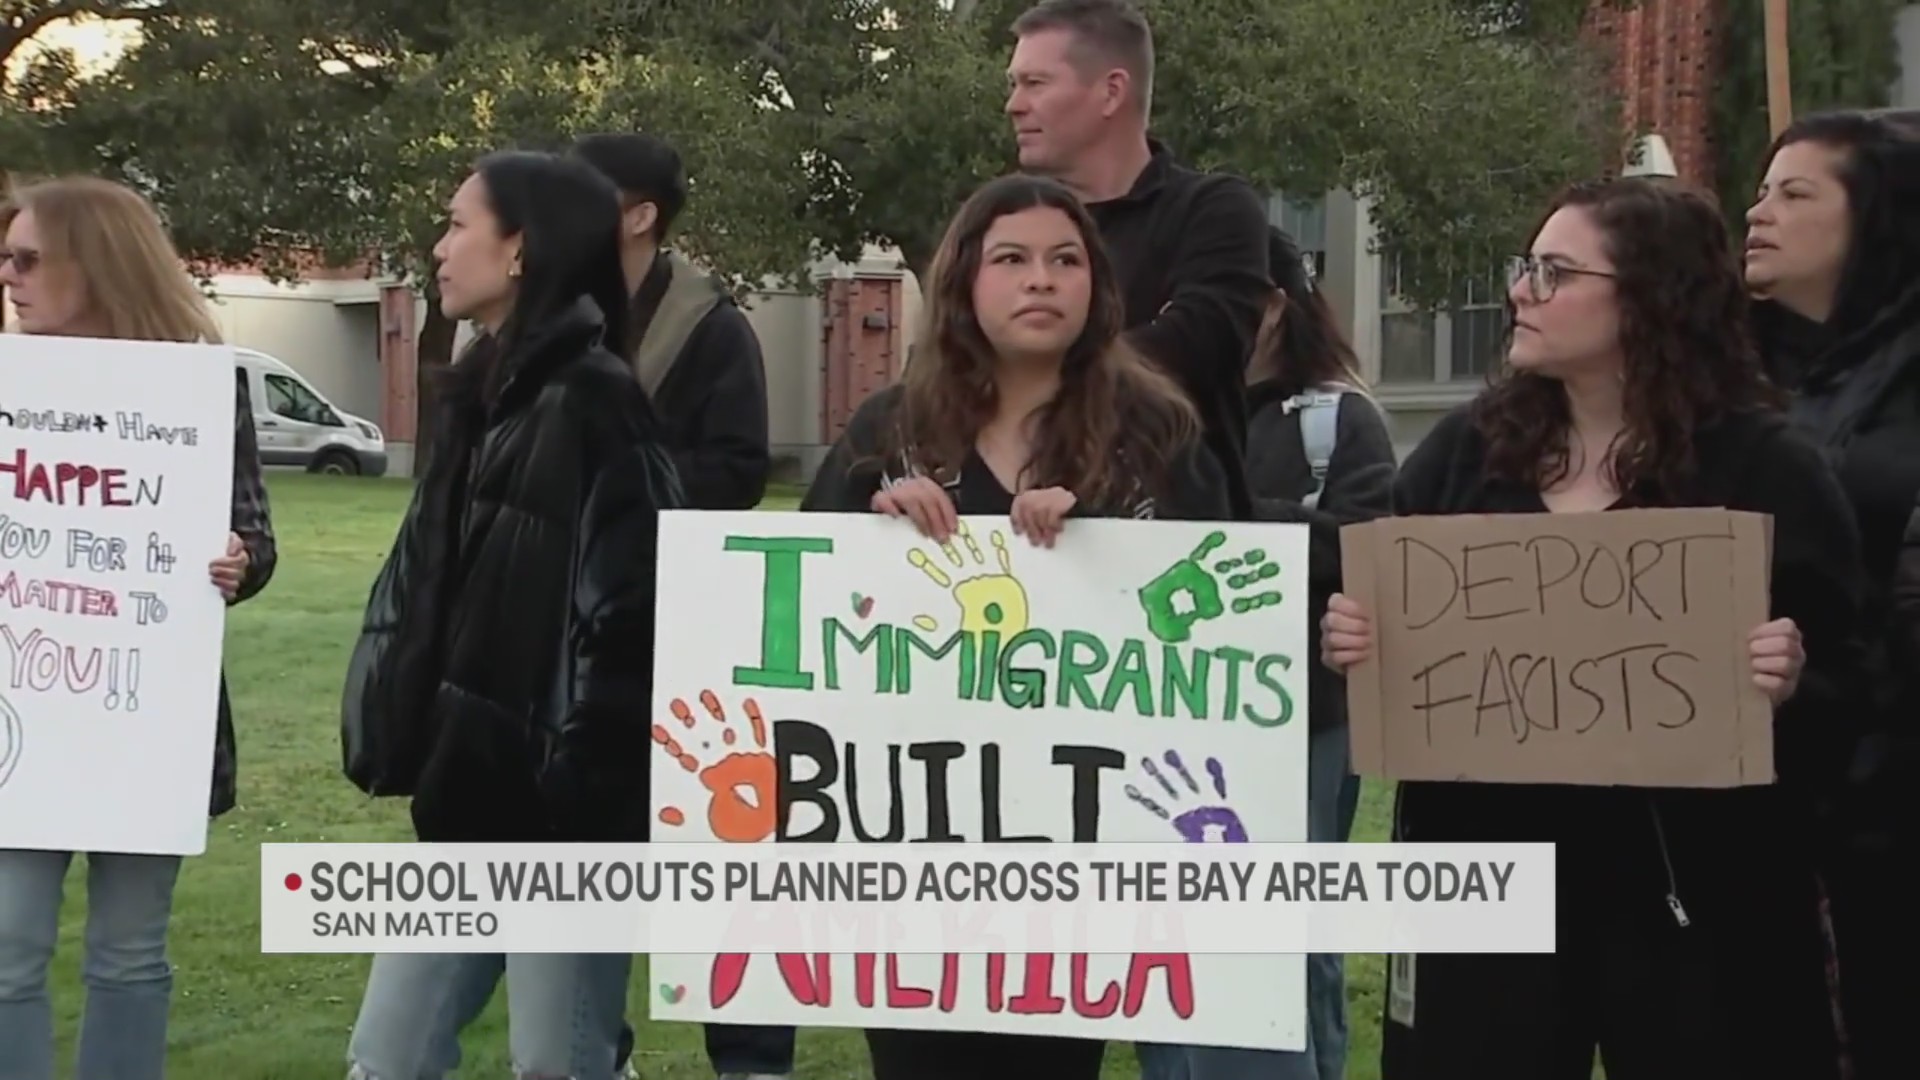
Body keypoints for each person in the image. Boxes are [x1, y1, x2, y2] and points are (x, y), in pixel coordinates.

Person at [1322, 177, 1863, 1078]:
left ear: (1651, 297)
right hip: (1486, 888)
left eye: (1556, 271)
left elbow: (1854, 681)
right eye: (1525, 267)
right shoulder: (1466, 453)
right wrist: (1356, 644)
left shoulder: (1763, 468)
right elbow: (1384, 636)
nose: (1521, 291)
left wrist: (1793, 678)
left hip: (1696, 894)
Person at [802, 172, 1232, 1080]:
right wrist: (873, 534)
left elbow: (1222, 616)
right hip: (916, 851)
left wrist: (1114, 544)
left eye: (1065, 260)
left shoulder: (1157, 434)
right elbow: (799, 624)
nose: (1041, 280)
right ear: (963, 282)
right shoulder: (890, 430)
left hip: (1081, 852)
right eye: (1012, 259)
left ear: (1096, 288)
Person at [338, 150, 681, 1080]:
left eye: (457, 224)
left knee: (560, 1063)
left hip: (564, 815)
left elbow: (637, 613)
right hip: (465, 795)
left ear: (521, 248)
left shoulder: (594, 399)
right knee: (387, 1057)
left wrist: (577, 788)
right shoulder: (478, 393)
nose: (439, 248)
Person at [0, 176, 276, 1080]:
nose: (10, 275)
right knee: (7, 948)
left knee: (129, 951)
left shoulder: (195, 386)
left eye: (29, 258)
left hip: (145, 711)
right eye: (7, 256)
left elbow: (255, 537)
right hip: (23, 714)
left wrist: (236, 560)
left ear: (97, 261)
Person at [1136, 230, 1397, 1080]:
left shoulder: (1336, 420)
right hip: (1165, 716)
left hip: (1300, 723)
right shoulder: (1152, 415)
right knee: (1166, 930)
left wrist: (1241, 527)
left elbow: (1368, 548)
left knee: (1292, 933)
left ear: (1276, 306)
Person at [1745, 107, 1920, 1080]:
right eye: (1759, 191)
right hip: (1769, 802)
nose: (1756, 213)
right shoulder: (1736, 380)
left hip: (1892, 802)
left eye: (1794, 193)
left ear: (1880, 217)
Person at [1005, 0, 1271, 520]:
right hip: (1019, 558)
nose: (1014, 104)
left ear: (1111, 91)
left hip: (1180, 555)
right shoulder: (1006, 223)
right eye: (1014, 84)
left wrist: (1026, 368)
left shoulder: (1212, 210)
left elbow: (1199, 344)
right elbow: (949, 362)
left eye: (1035, 83)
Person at [572, 131, 772, 512]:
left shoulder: (710, 328)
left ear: (641, 218)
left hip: (647, 560)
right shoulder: (539, 311)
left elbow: (737, 474)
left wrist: (612, 477)